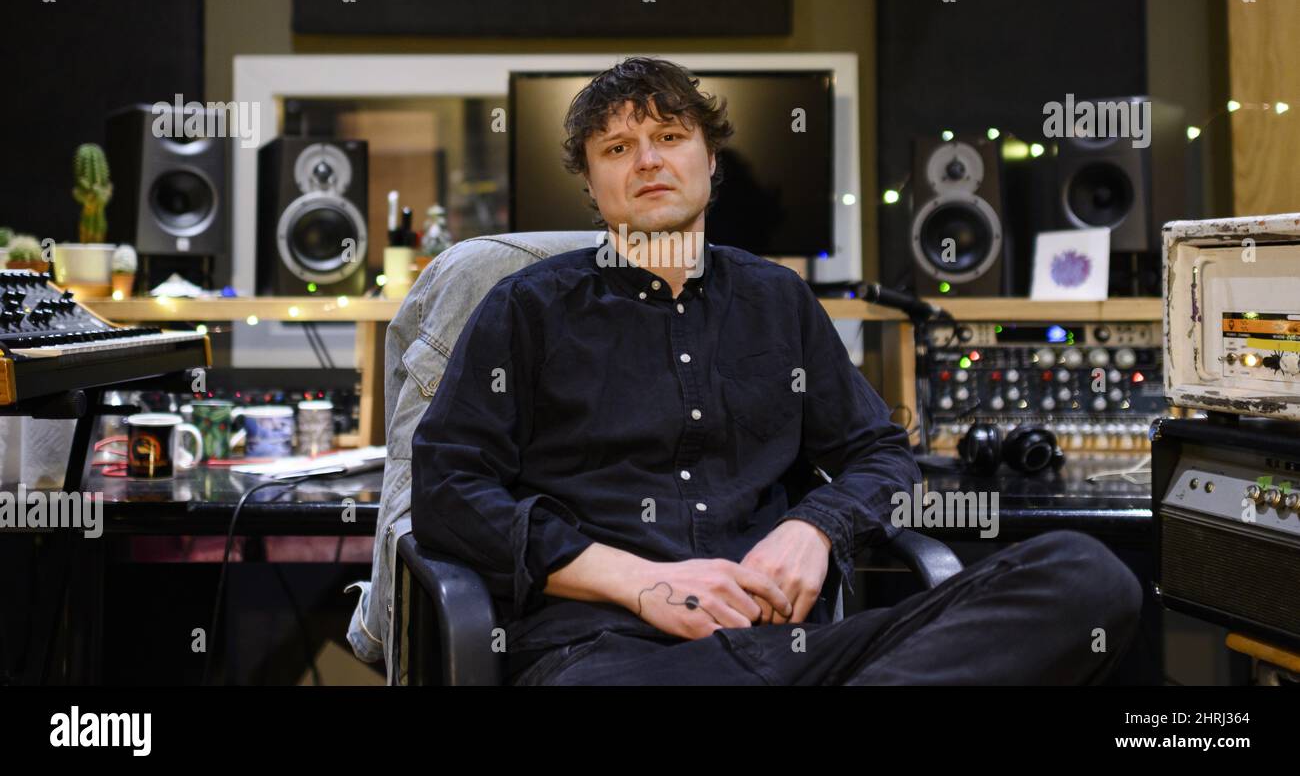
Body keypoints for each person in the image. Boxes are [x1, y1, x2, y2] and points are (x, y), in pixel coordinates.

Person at [410, 56, 1143, 685]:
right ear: (591, 185)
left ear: (709, 161)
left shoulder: (777, 299)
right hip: (611, 655)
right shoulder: (526, 309)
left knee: (1085, 576)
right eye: (617, 148)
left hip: (795, 650)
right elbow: (447, 489)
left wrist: (815, 528)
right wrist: (639, 582)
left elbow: (880, 452)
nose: (648, 160)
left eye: (669, 136)